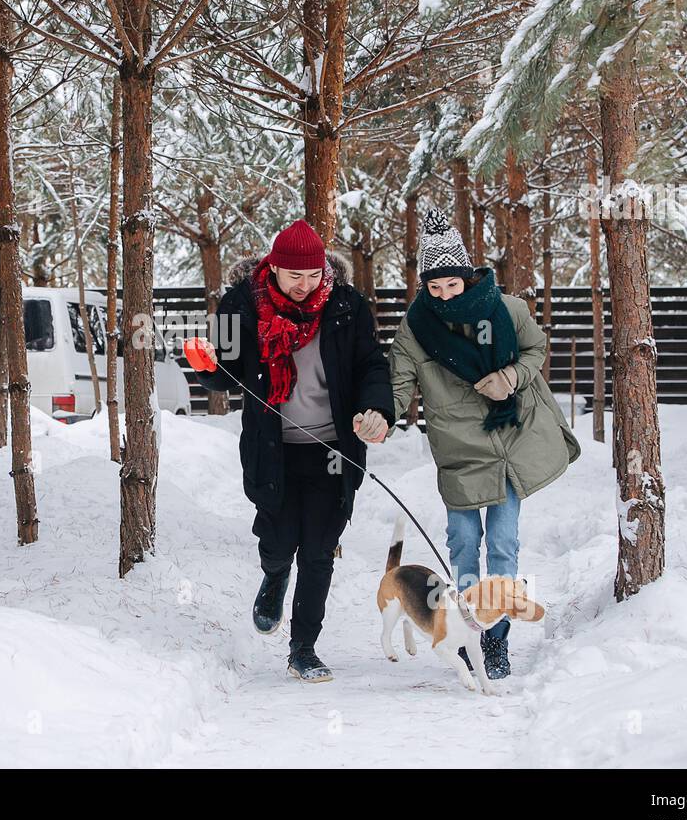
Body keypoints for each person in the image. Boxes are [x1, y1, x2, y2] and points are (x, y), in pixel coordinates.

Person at [190, 219, 394, 683]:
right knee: (280, 541)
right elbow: (228, 375)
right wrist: (207, 366)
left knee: (320, 550)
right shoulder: (239, 305)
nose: (305, 286)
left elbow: (370, 366)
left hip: (333, 449)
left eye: (313, 276)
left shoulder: (346, 306)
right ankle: (274, 574)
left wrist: (377, 409)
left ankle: (303, 648)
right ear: (274, 268)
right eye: (294, 276)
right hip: (273, 448)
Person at [388, 208, 580, 679]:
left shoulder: (509, 309)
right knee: (463, 543)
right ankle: (464, 630)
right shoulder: (416, 329)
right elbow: (398, 385)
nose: (443, 295)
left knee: (503, 545)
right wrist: (380, 416)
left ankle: (495, 640)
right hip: (459, 452)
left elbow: (537, 349)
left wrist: (511, 376)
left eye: (452, 285)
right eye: (433, 287)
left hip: (509, 443)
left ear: (468, 277)